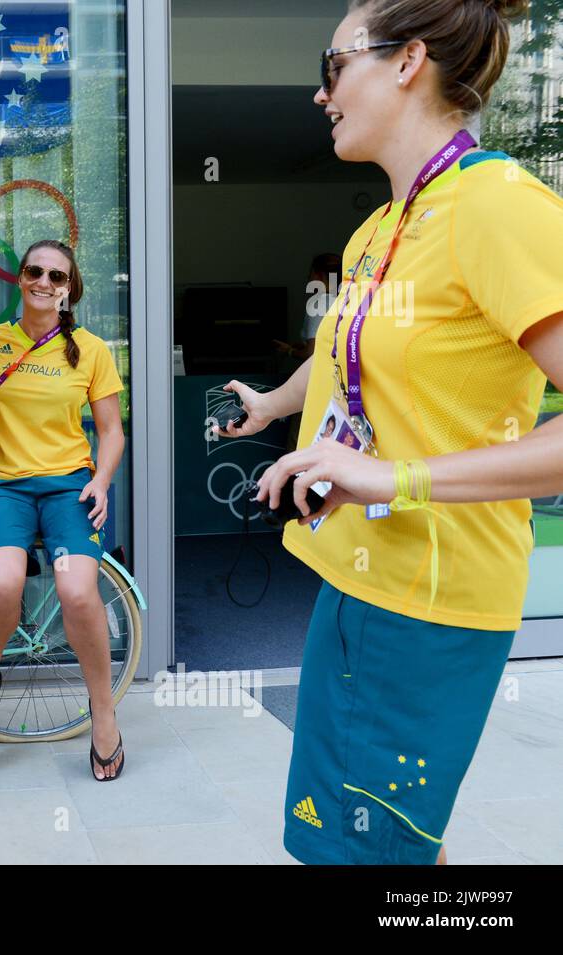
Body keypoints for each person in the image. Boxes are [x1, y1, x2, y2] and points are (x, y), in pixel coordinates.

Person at [215, 0, 563, 865]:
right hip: (360, 580)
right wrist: (275, 402)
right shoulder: (382, 225)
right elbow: (347, 347)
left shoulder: (499, 206)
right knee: (376, 851)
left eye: (331, 66)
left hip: (431, 600)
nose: (320, 94)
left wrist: (393, 480)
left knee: (363, 858)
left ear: (406, 62)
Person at [0, 240, 126, 779]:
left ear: (69, 288)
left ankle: (103, 713)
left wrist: (101, 482)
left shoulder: (92, 350)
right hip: (2, 488)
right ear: (19, 278)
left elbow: (110, 432)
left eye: (57, 277)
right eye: (35, 271)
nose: (44, 282)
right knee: (5, 583)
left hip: (67, 491)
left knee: (77, 590)